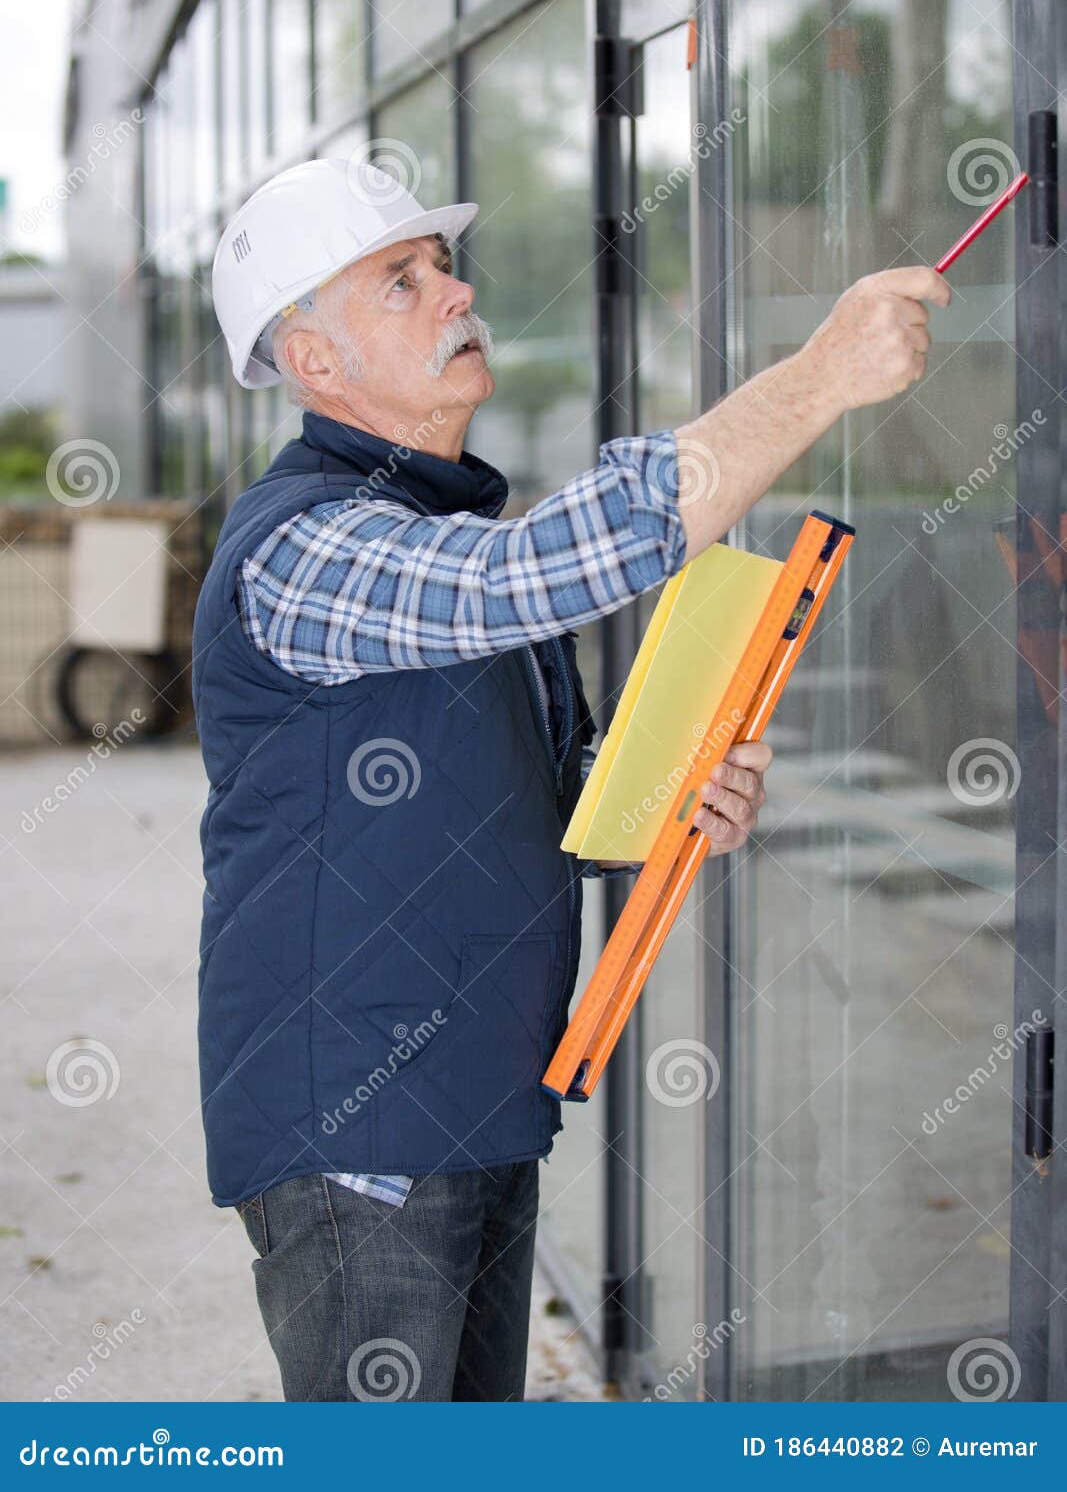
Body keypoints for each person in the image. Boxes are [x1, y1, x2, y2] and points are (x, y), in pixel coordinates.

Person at [195, 156, 951, 1401]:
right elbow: (537, 574)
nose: (454, 291)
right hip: (356, 1136)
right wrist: (817, 377)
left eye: (440, 265)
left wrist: (674, 792)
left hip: (478, 1099)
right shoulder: (305, 548)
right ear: (313, 360)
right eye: (402, 279)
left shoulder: (446, 533)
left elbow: (554, 786)